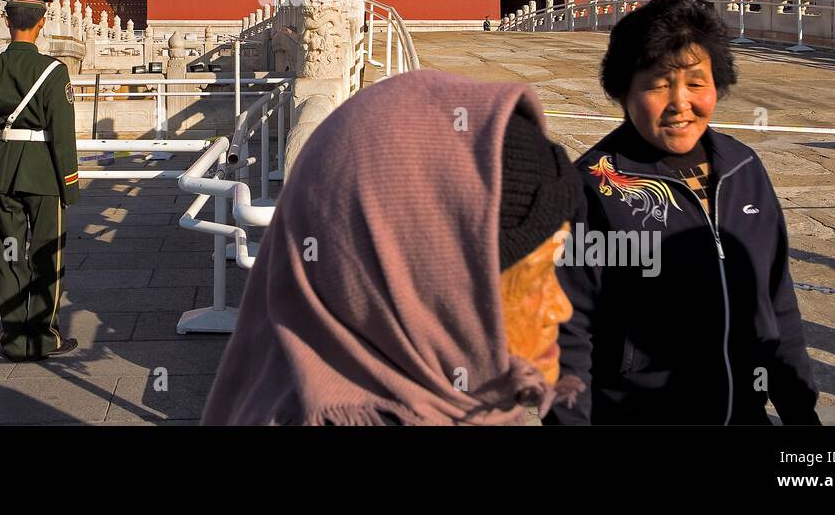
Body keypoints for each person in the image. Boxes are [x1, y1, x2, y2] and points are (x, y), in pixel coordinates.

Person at [201, 69, 586, 425]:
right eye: (533, 278)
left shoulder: (477, 400)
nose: (561, 306)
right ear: (416, 287)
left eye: (556, 267)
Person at [546, 0, 820, 425]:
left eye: (696, 82)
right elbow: (566, 335)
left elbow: (776, 299)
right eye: (657, 83)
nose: (680, 103)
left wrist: (800, 410)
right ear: (623, 89)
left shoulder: (744, 169)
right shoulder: (592, 189)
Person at [0, 0, 80, 361]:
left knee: (10, 254)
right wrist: (71, 185)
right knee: (46, 255)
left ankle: (14, 338)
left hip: (2, 175)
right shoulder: (53, 70)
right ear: (42, 22)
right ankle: (44, 336)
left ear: (6, 21)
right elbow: (62, 135)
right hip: (44, 174)